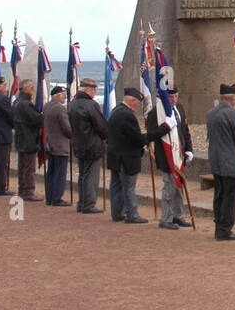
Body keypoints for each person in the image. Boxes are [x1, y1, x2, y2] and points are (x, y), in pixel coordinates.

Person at [107, 88, 170, 223]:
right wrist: (162, 130)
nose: (138, 106)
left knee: (116, 186)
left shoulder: (115, 111)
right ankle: (132, 214)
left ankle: (117, 213)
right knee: (128, 187)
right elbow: (139, 139)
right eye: (137, 103)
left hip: (115, 157)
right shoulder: (127, 115)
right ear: (132, 101)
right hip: (126, 158)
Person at [206, 83, 235, 241]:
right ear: (232, 98)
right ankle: (225, 230)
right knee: (229, 197)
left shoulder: (211, 113)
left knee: (219, 194)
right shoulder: (233, 114)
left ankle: (219, 226)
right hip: (229, 160)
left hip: (215, 159)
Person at [147, 86, 193, 230]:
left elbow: (185, 131)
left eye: (176, 97)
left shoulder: (179, 108)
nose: (173, 100)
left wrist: (189, 150)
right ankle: (165, 218)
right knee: (169, 187)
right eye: (170, 97)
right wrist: (166, 126)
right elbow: (151, 135)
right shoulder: (156, 113)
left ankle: (177, 215)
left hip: (179, 156)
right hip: (166, 156)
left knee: (179, 187)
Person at [68, 78, 109, 214]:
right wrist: (106, 135)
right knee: (91, 176)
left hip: (79, 144)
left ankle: (82, 202)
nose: (95, 92)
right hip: (92, 145)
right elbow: (101, 126)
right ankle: (89, 204)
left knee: (83, 174)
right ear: (89, 90)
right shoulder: (91, 105)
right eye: (94, 89)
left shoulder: (72, 104)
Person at [12, 80, 43, 201]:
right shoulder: (25, 104)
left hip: (21, 137)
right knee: (29, 167)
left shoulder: (16, 102)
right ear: (25, 89)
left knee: (23, 166)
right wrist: (41, 115)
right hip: (28, 138)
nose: (33, 90)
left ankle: (22, 189)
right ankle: (28, 191)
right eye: (31, 88)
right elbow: (37, 119)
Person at [43, 85, 72, 206]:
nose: (65, 97)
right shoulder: (59, 108)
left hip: (50, 143)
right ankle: (57, 198)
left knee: (51, 172)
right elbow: (66, 128)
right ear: (58, 96)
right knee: (60, 173)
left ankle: (50, 197)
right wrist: (72, 134)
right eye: (63, 95)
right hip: (60, 144)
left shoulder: (47, 106)